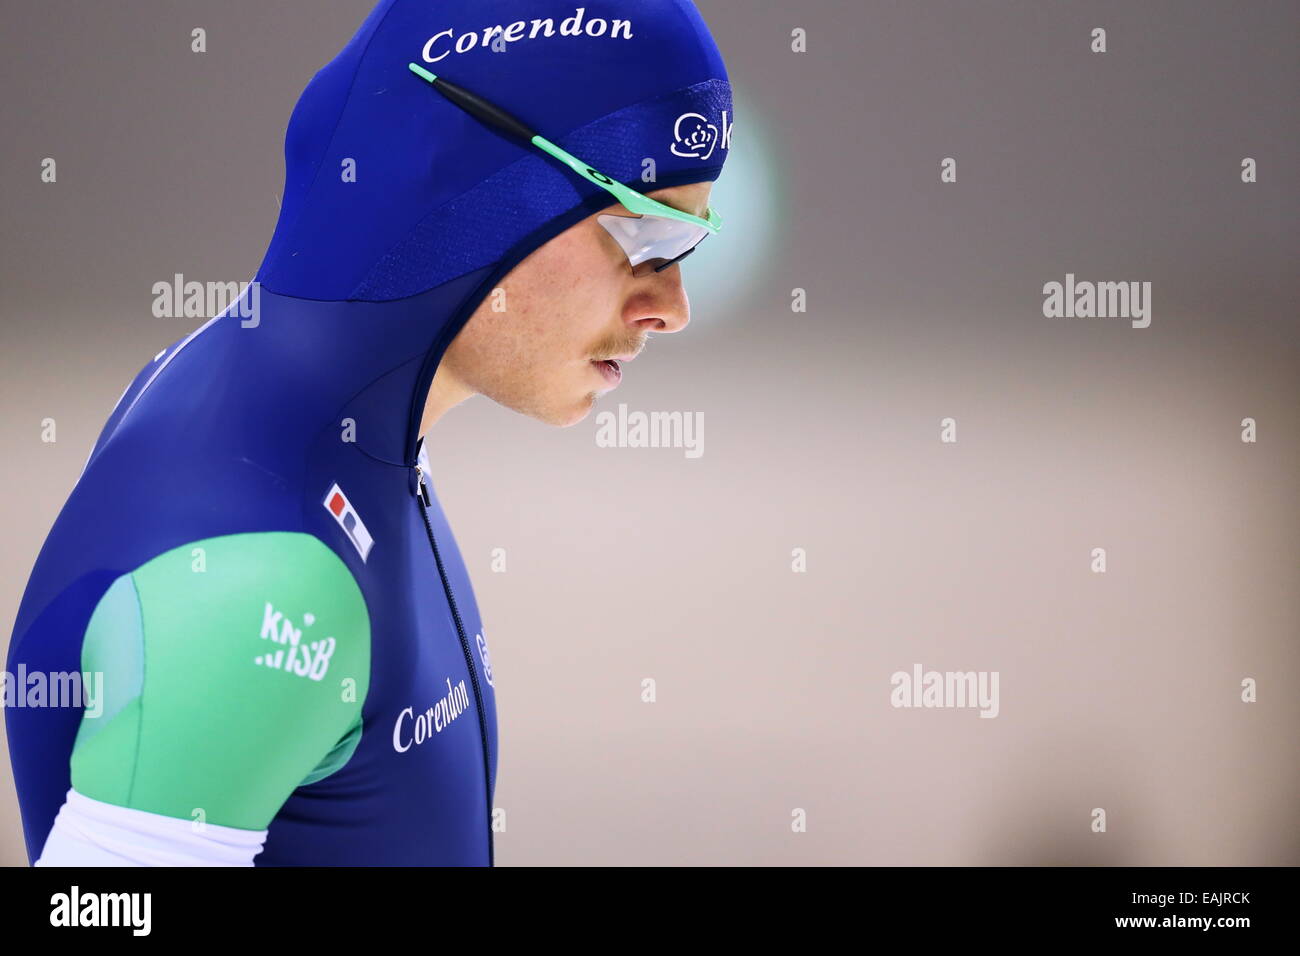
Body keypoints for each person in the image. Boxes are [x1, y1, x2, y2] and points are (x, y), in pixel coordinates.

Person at [5, 0, 734, 866]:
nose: (673, 309)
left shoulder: (300, 410)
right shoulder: (264, 580)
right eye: (649, 235)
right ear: (484, 187)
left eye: (692, 247)